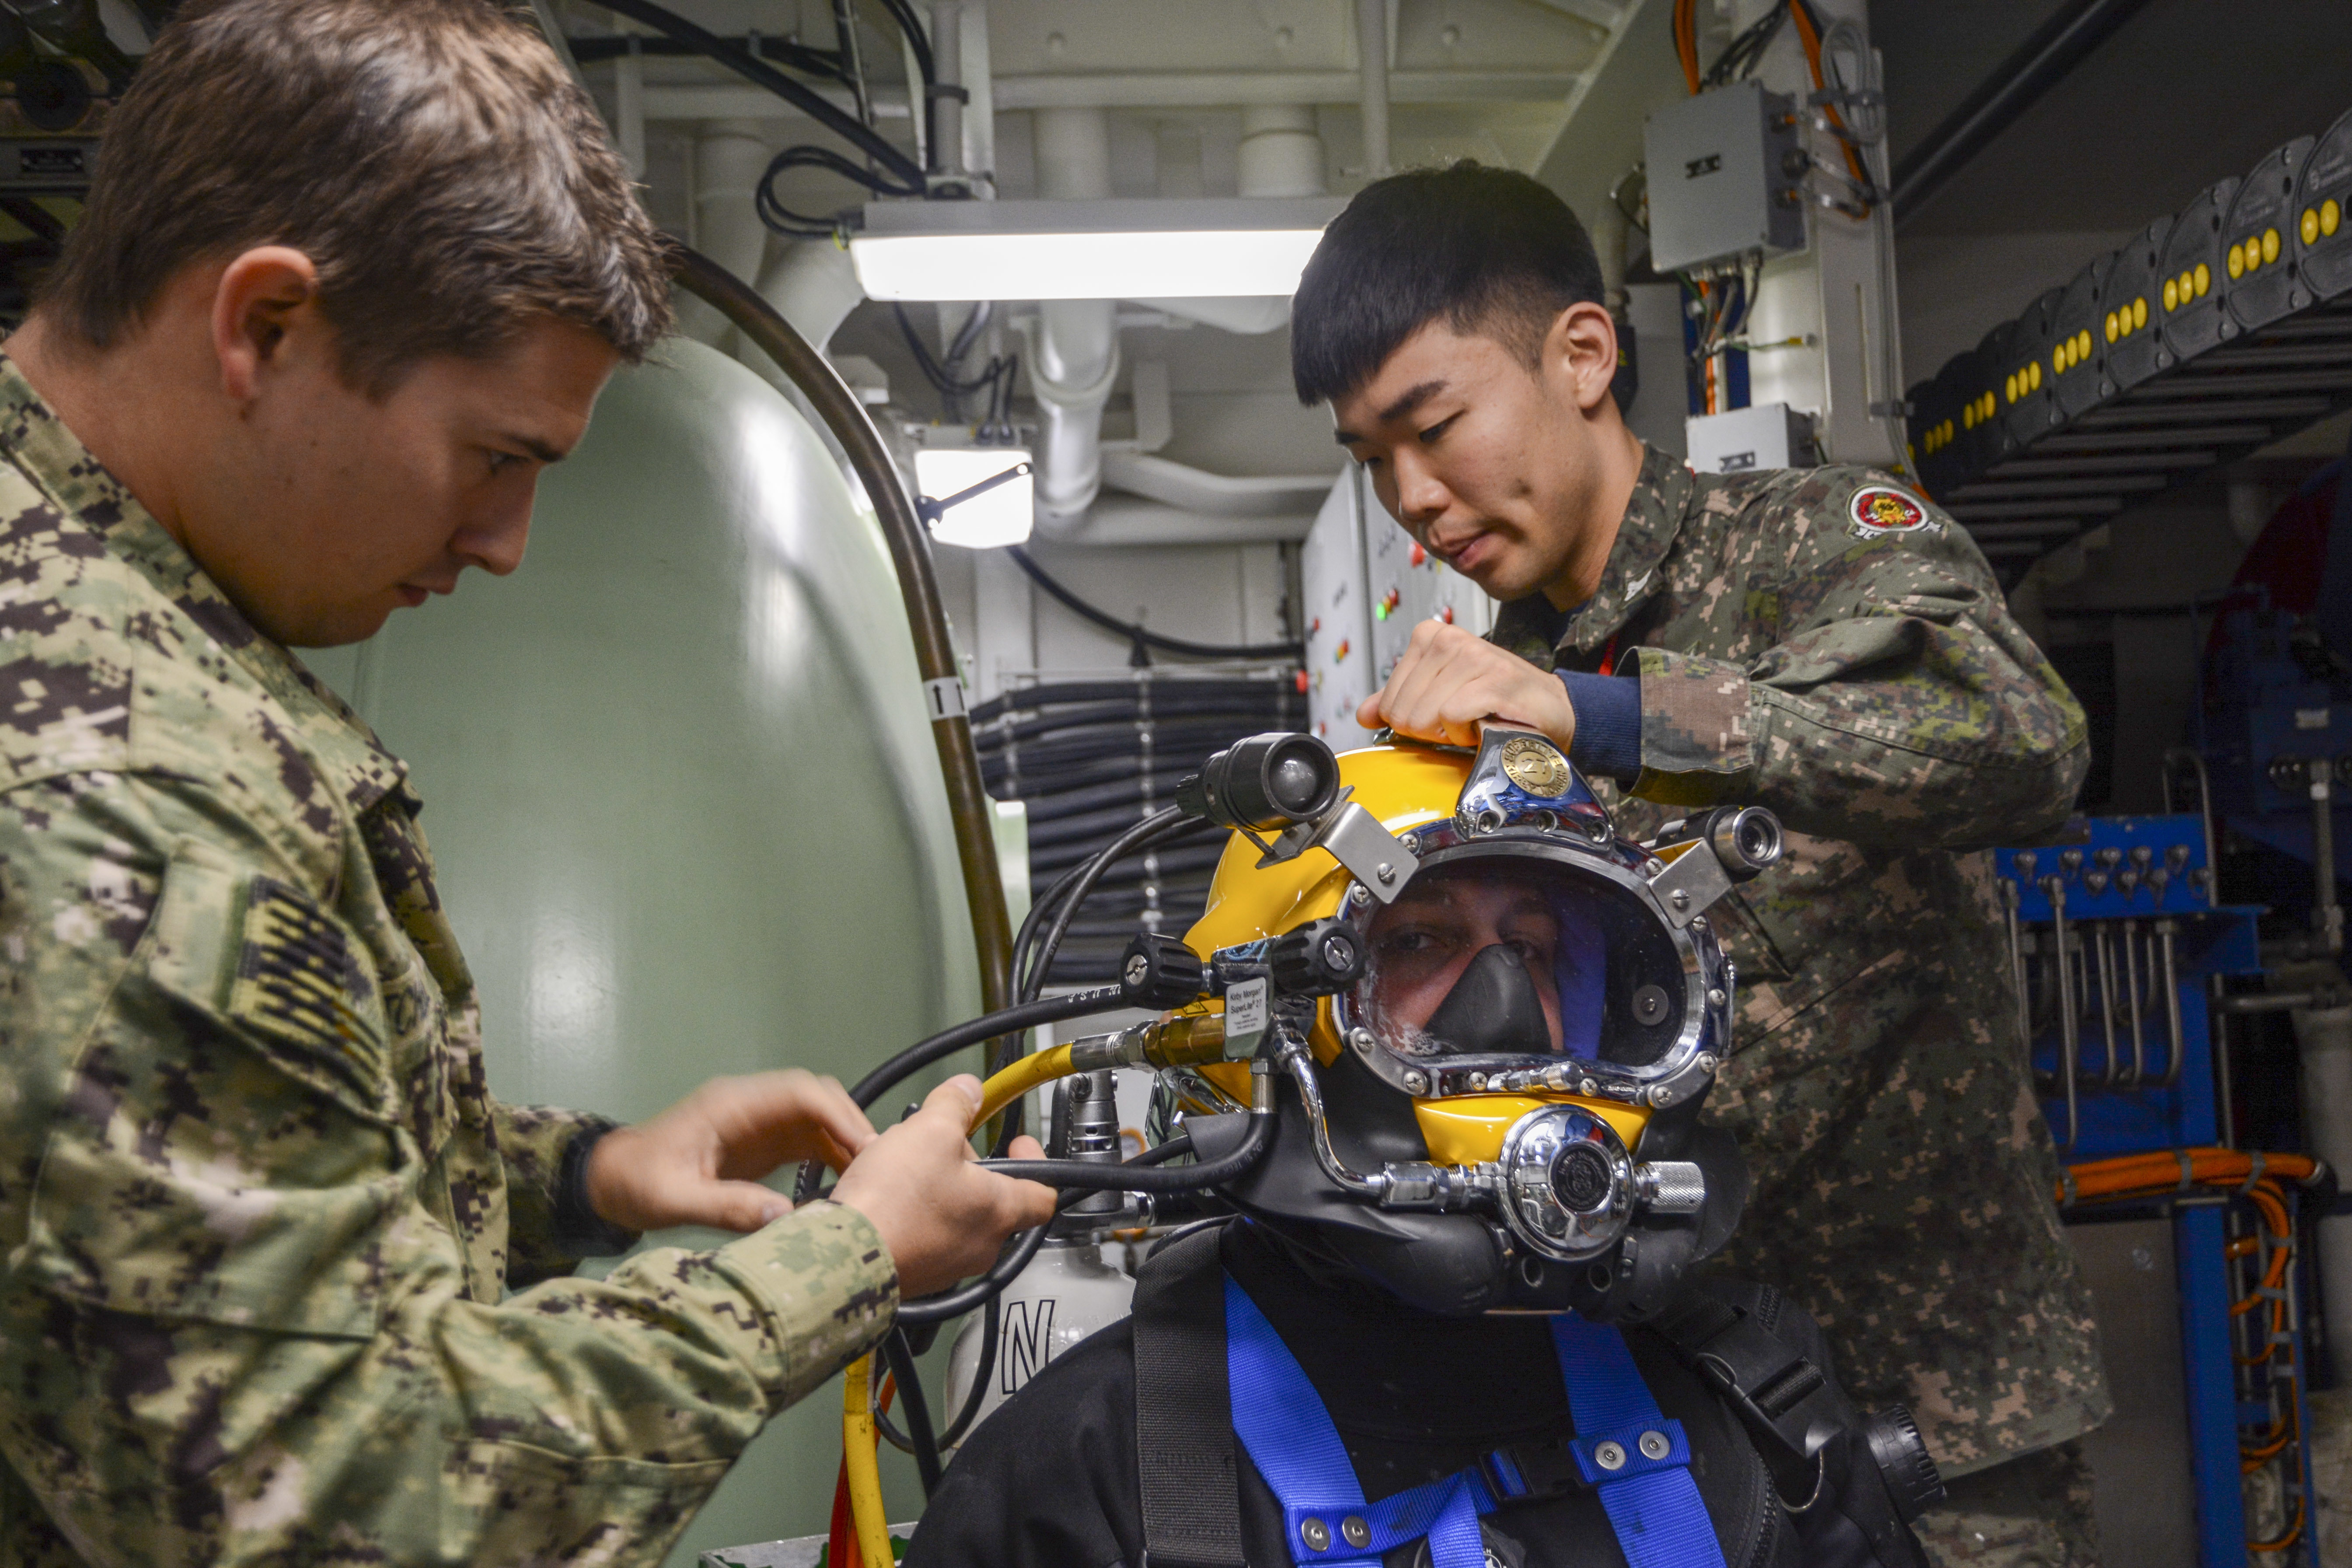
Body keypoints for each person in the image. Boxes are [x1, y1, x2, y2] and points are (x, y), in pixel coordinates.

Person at [0, 3, 1052, 1563]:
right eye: (495, 456)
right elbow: (367, 1501)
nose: (504, 545)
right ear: (265, 327)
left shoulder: (116, 615)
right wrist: (844, 1259)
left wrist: (582, 1172)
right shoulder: (124, 788)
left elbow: (193, 1167)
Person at [1298, 164, 2104, 1566]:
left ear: (1584, 354)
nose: (1412, 497)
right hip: (1662, 1439)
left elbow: (2019, 737)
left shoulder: (1812, 548)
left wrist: (1611, 717)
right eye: (1372, 459)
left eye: (1433, 426)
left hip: (1936, 1436)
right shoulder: (1505, 682)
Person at [907, 729, 1944, 1568]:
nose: (1505, 1002)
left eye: (1532, 948)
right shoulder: (1088, 1464)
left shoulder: (1748, 1383)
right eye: (1414, 939)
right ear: (1259, 1009)